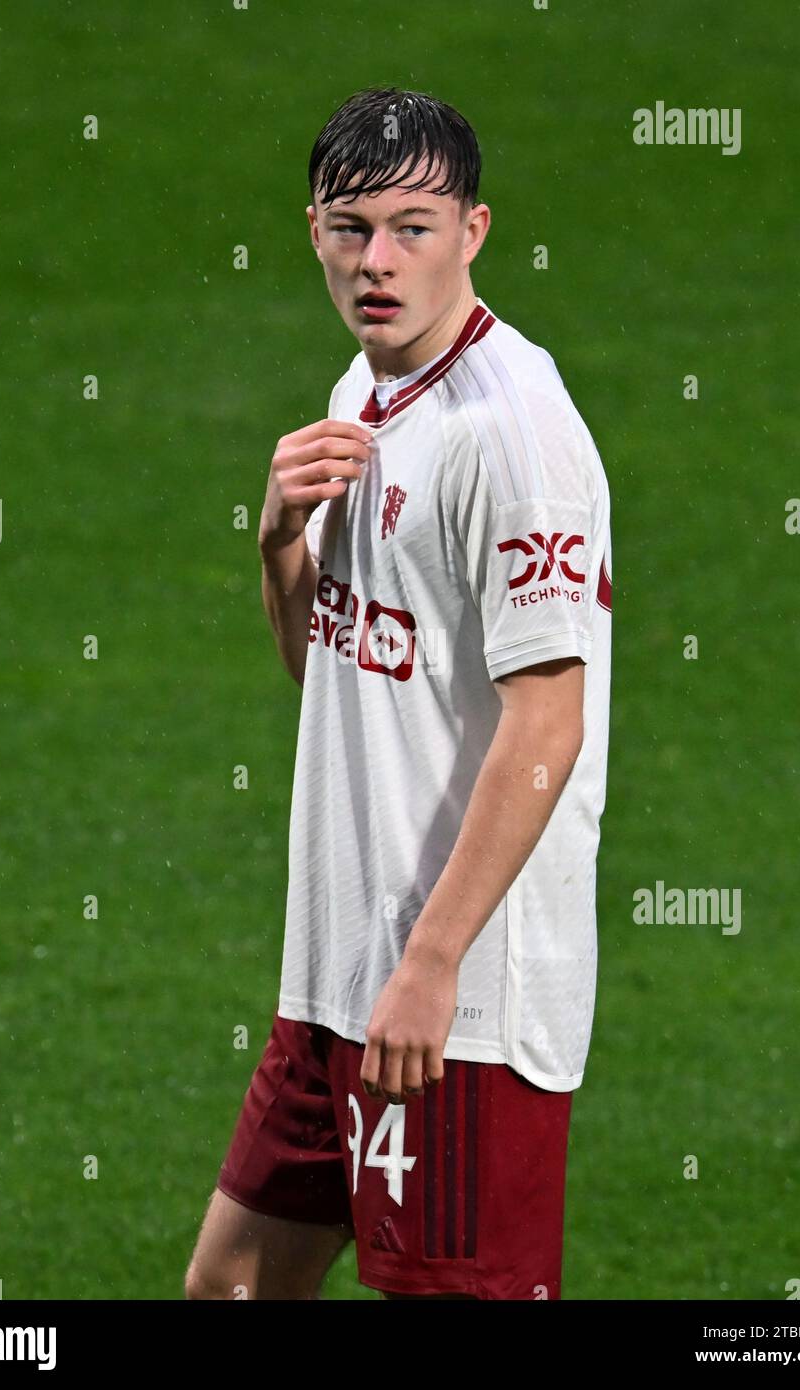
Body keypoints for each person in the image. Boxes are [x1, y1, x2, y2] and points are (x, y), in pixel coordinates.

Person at [186, 86, 612, 1302]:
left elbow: (549, 718)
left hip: (457, 1004)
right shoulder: (358, 394)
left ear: (473, 231)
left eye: (413, 228)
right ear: (312, 228)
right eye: (350, 226)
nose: (378, 262)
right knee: (231, 1287)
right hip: (335, 977)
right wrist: (278, 543)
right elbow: (330, 667)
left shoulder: (513, 437)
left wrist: (430, 965)